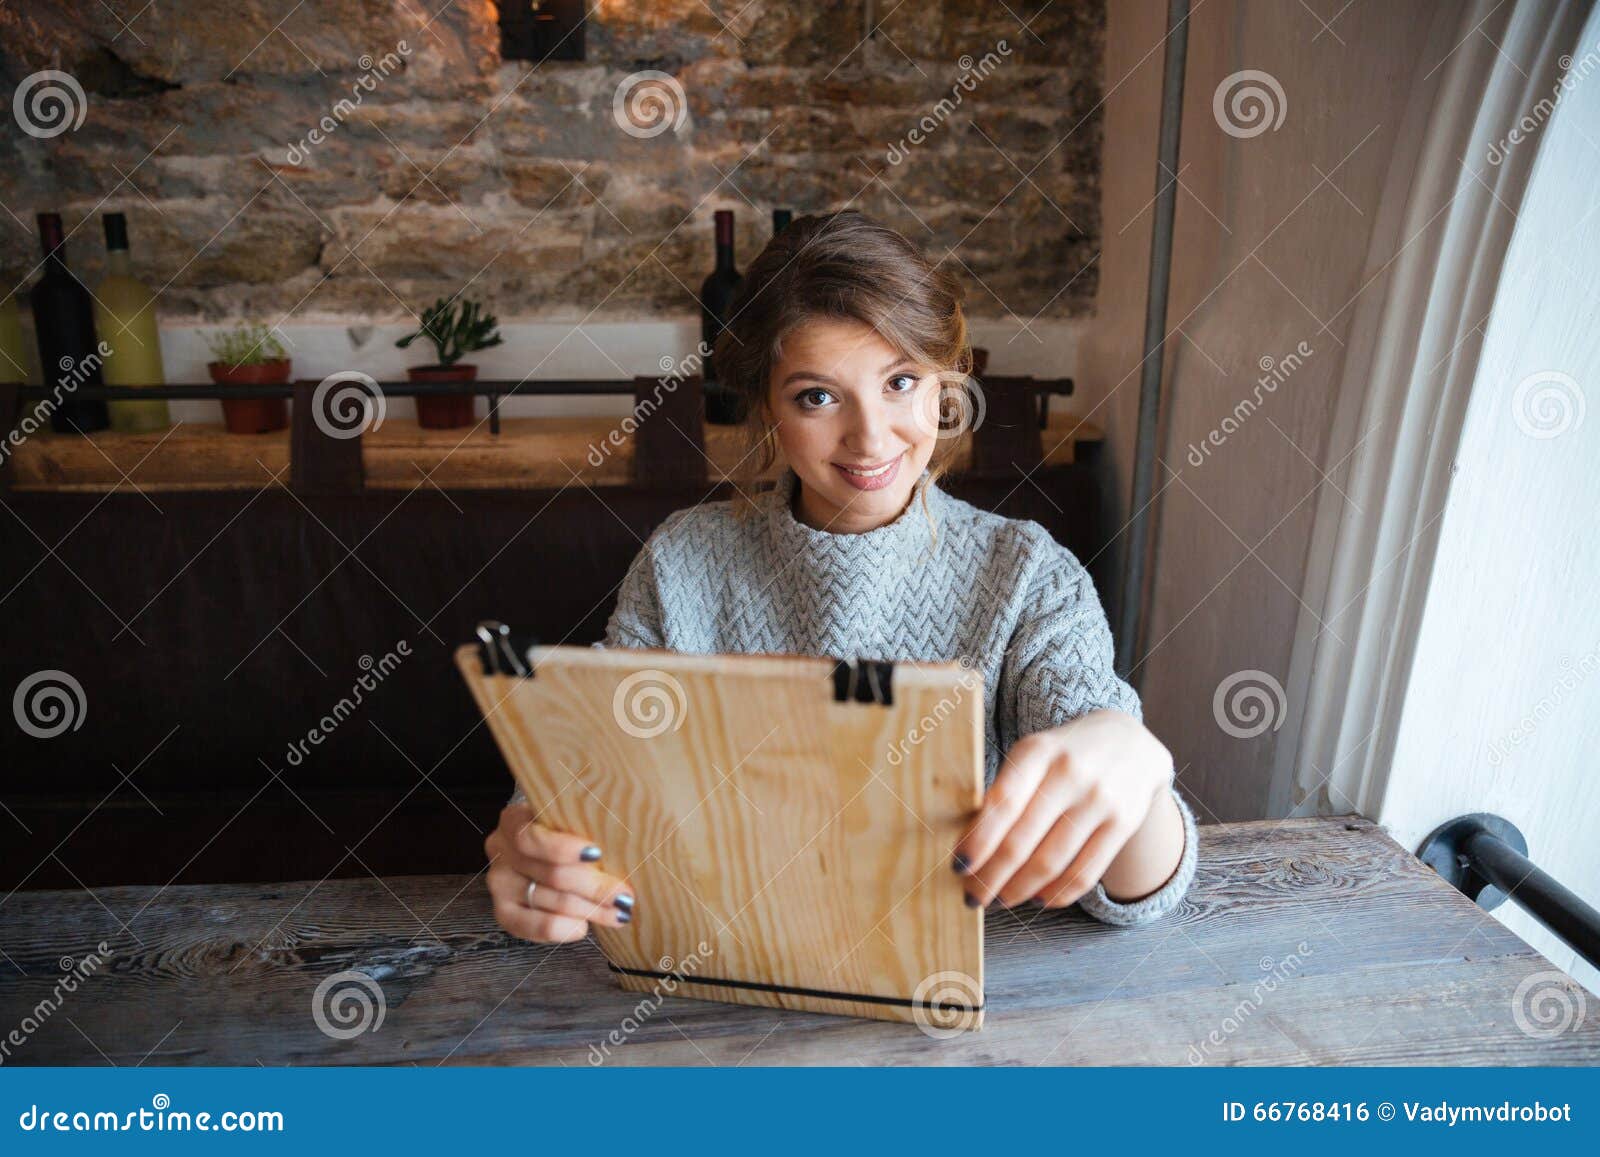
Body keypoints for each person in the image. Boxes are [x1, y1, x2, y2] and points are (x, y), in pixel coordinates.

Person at [484, 210, 1197, 945]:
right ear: (765, 406)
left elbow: (1140, 890)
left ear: (947, 382)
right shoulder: (681, 563)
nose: (870, 437)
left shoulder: (1029, 575)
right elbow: (583, 763)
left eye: (900, 381)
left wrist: (1136, 769)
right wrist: (535, 835)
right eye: (817, 396)